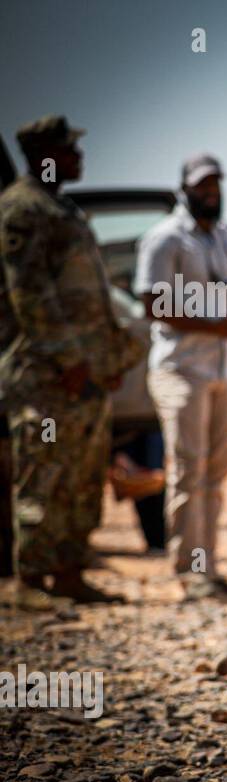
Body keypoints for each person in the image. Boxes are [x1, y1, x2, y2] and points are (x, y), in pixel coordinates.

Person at [0, 116, 144, 607]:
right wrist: (66, 357)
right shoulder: (22, 209)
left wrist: (110, 354)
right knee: (43, 473)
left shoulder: (64, 210)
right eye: (68, 149)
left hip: (85, 373)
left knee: (82, 476)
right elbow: (30, 292)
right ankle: (30, 579)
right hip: (44, 373)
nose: (79, 157)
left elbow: (91, 297)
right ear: (43, 154)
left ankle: (68, 571)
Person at [135, 154, 227, 600]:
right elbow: (153, 305)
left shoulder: (224, 235)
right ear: (184, 188)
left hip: (222, 366)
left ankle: (210, 568)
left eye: (216, 184)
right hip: (180, 369)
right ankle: (189, 571)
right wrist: (216, 327)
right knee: (187, 468)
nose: (211, 192)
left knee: (216, 470)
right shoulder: (164, 239)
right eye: (203, 185)